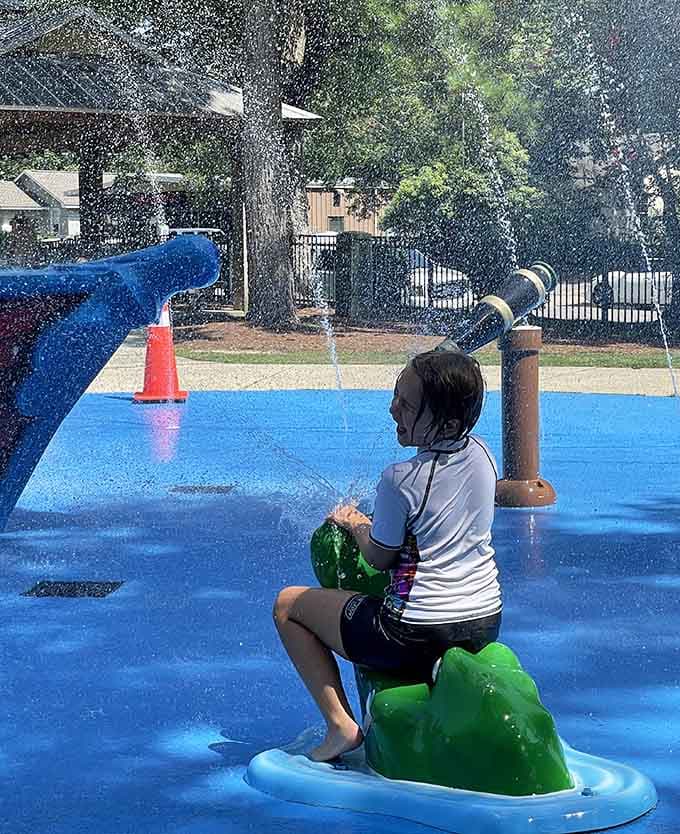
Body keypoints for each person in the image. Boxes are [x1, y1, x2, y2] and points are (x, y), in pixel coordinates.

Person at [273, 350, 502, 763]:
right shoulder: (484, 454)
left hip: (415, 635)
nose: (393, 408)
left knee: (288, 605)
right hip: (485, 624)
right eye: (397, 396)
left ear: (448, 423)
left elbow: (379, 557)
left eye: (408, 405)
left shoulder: (400, 480)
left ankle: (339, 726)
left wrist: (355, 521)